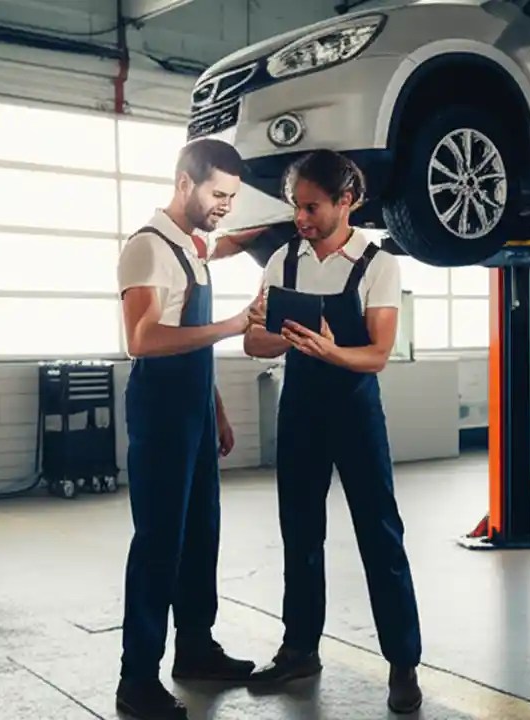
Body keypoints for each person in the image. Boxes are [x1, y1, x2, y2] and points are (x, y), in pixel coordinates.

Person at [242, 149, 423, 713]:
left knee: (380, 535)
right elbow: (253, 342)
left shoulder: (377, 264)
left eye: (313, 206)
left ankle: (403, 663)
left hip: (354, 408)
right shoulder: (282, 263)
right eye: (296, 206)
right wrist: (289, 340)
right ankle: (300, 648)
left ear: (347, 201)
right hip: (299, 408)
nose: (302, 217)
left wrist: (329, 349)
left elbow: (377, 354)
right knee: (300, 533)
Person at [116, 138, 260, 720]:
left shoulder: (193, 247)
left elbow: (189, 333)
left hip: (195, 408)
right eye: (218, 194)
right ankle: (136, 679)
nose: (226, 205)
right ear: (184, 184)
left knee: (202, 533)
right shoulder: (148, 249)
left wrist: (215, 405)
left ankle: (195, 648)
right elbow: (144, 340)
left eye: (233, 196)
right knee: (159, 543)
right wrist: (231, 325)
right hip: (160, 409)